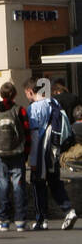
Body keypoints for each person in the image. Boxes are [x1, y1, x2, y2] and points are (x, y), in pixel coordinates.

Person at [24, 79, 77, 231]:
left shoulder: (33, 109)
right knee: (55, 182)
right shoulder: (53, 102)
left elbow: (34, 135)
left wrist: (32, 158)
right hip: (54, 149)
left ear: (30, 91)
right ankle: (68, 210)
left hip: (41, 150)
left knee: (38, 183)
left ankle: (42, 219)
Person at [0, 81, 31, 232]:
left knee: (3, 185)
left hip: (0, 154)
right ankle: (20, 220)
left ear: (0, 94)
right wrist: (26, 152)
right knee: (18, 186)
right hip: (17, 152)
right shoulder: (20, 110)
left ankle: (4, 220)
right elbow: (26, 131)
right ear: (15, 95)